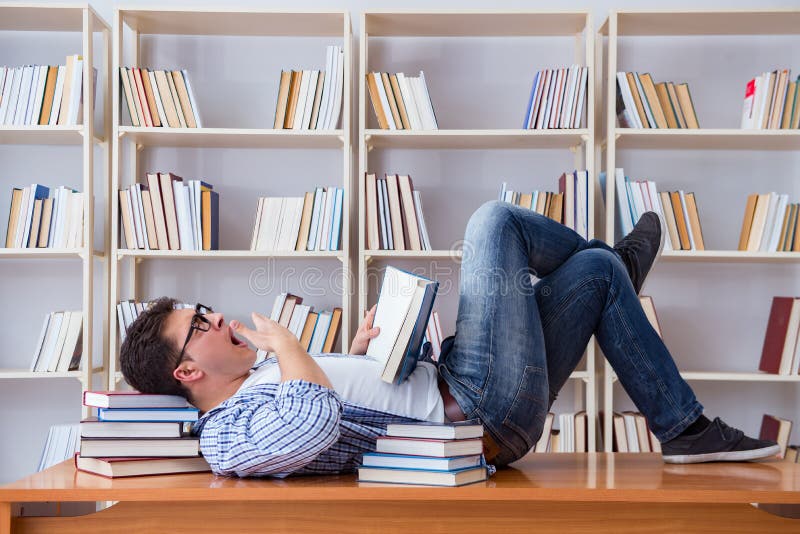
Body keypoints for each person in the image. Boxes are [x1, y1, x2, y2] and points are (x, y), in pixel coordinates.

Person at [120, 201, 779, 477]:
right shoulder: (226, 434)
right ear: (186, 373)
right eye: (199, 326)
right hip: (474, 415)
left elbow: (340, 399)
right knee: (492, 222)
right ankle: (620, 266)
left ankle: (686, 429)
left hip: (456, 379)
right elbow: (311, 426)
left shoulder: (263, 379)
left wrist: (361, 352)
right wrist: (289, 344)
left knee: (594, 274)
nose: (217, 319)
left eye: (205, 310)